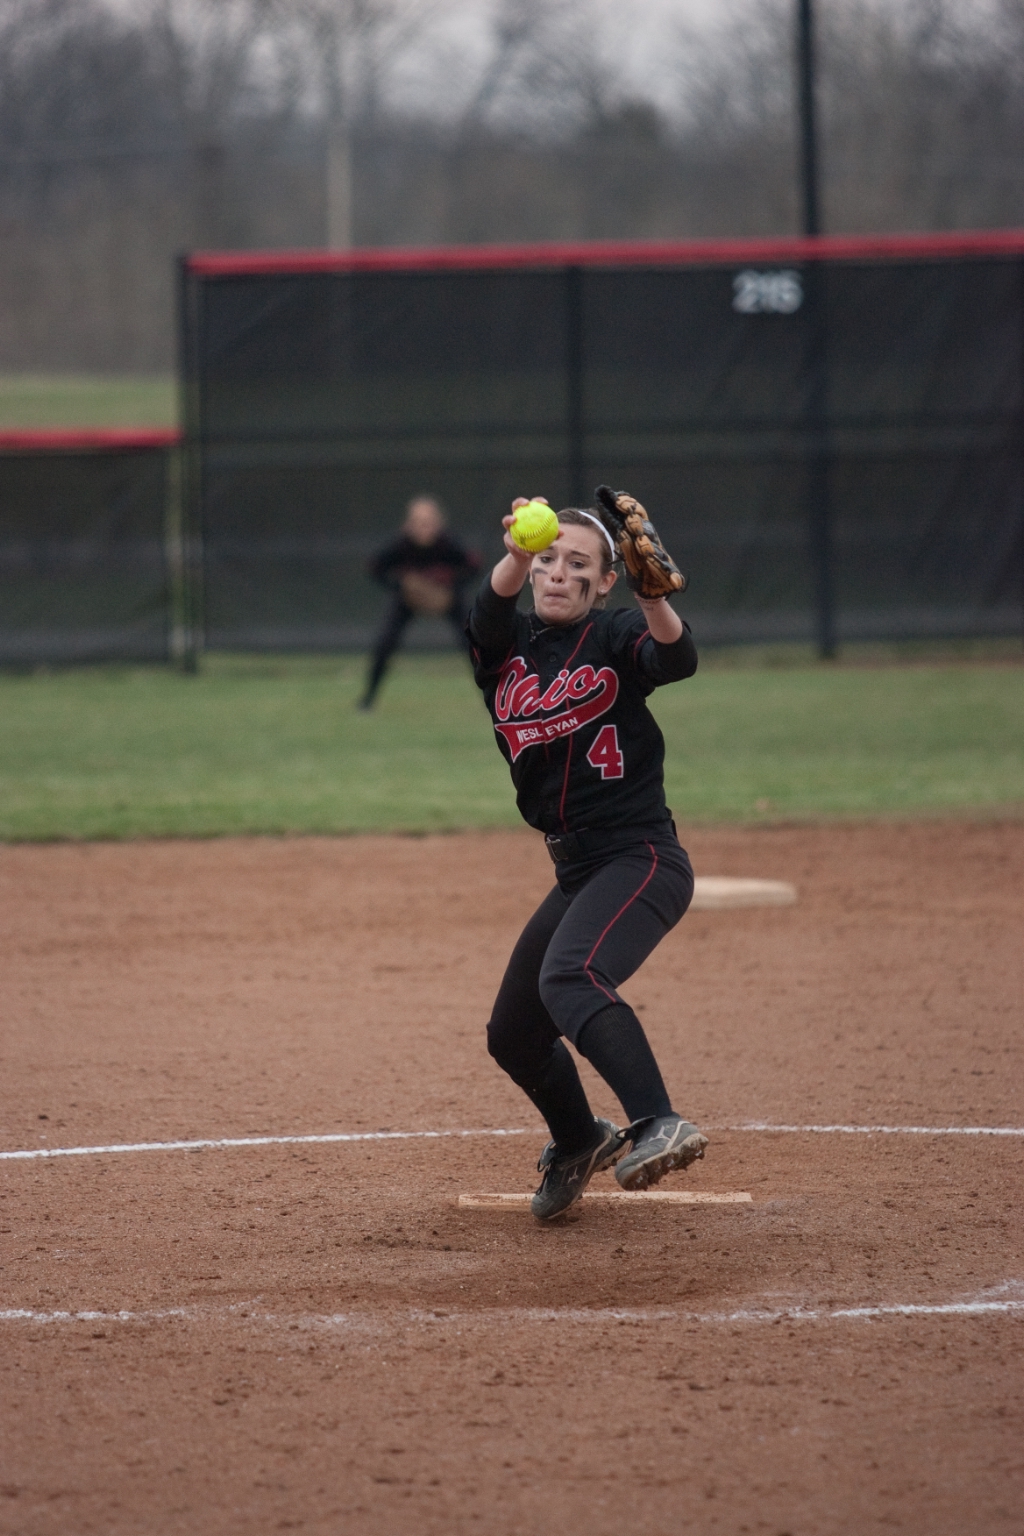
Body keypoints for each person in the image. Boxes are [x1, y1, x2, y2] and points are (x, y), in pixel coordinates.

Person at [467, 493, 708, 1220]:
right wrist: (513, 553)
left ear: (606, 582)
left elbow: (677, 658)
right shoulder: (503, 653)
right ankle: (577, 1140)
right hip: (574, 869)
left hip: (640, 857)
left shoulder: (616, 636)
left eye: (579, 564)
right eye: (548, 561)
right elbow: (484, 614)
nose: (559, 574)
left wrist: (655, 597)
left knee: (570, 976)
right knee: (512, 1035)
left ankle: (658, 1119)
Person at [359, 495, 479, 710]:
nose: (424, 527)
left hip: (447, 598)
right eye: (419, 522)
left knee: (473, 643)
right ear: (409, 524)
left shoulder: (447, 543)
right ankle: (368, 699)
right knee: (386, 642)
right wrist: (400, 585)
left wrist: (451, 586)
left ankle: (492, 698)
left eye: (429, 522)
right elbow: (375, 567)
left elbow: (473, 565)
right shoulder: (401, 544)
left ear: (439, 523)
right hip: (409, 599)